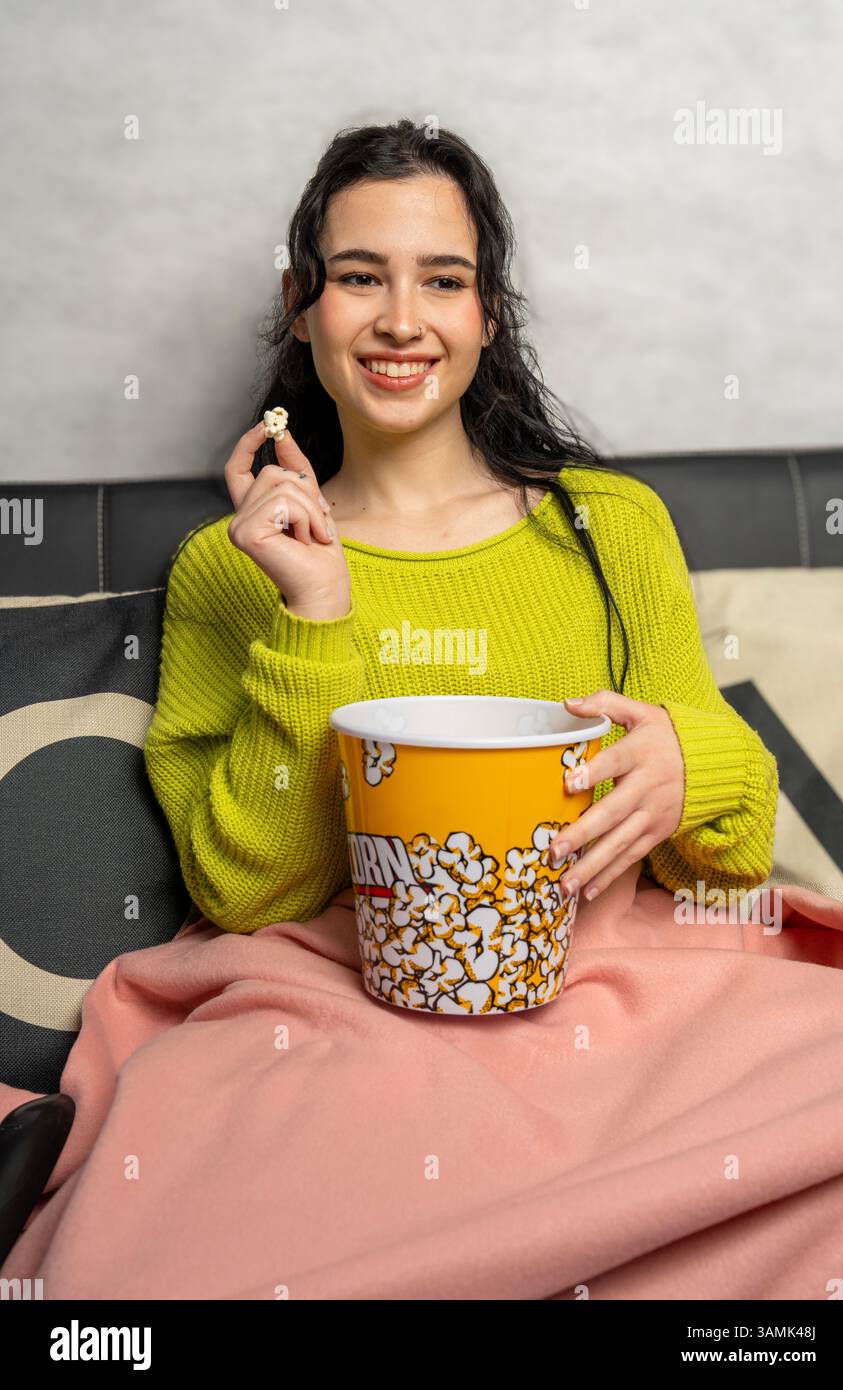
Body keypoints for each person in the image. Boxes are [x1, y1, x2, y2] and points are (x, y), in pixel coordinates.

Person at [143, 118, 778, 934]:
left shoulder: (612, 526)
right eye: (360, 277)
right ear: (299, 306)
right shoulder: (230, 565)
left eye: (444, 281)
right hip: (347, 1002)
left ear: (490, 314)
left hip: (599, 989)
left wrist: (697, 769)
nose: (402, 323)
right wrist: (315, 616)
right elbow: (250, 901)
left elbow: (726, 877)